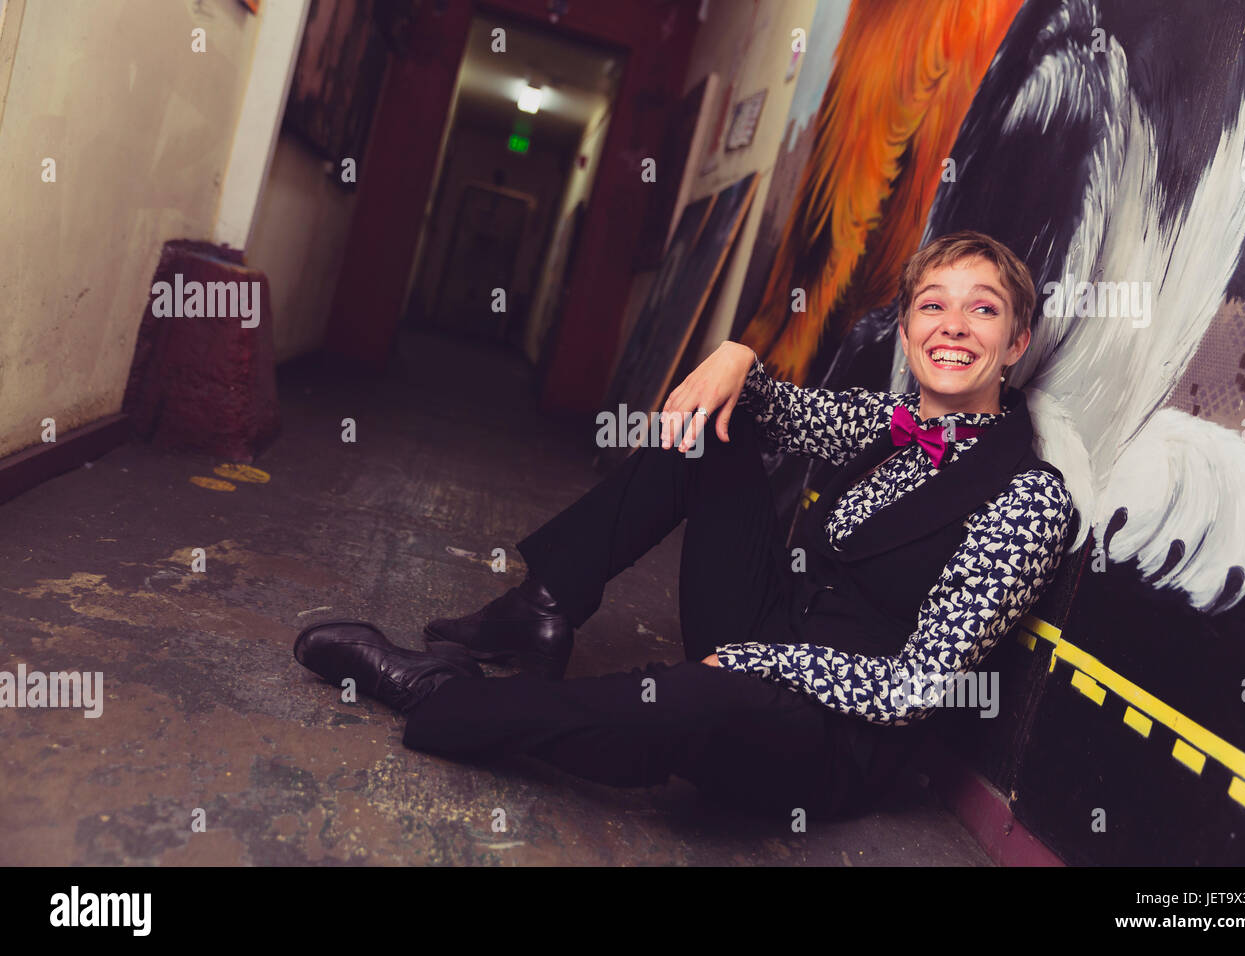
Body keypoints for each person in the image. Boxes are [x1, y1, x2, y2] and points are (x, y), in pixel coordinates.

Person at [293, 230, 1077, 821]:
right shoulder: (889, 417)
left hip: (835, 732)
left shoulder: (1027, 498)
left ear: (1015, 344)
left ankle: (436, 693)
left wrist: (763, 665)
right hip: (777, 633)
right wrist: (738, 352)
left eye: (983, 310)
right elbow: (770, 406)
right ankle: (543, 607)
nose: (953, 325)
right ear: (905, 334)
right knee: (713, 426)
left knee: (680, 703)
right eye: (931, 305)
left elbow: (917, 688)